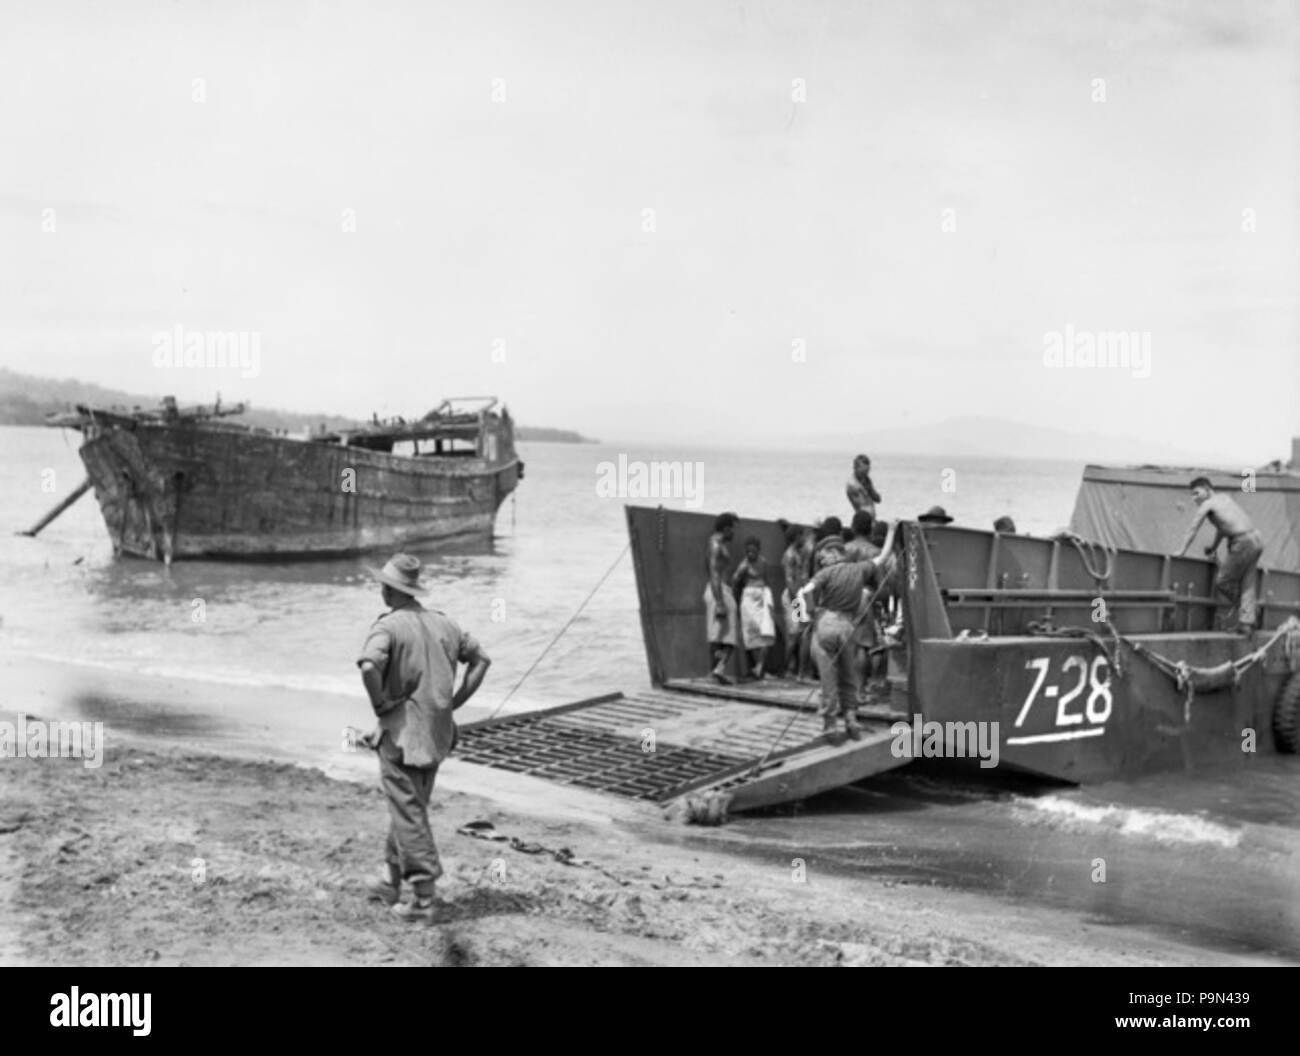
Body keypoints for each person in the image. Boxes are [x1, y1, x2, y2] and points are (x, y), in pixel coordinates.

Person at [356, 553, 492, 923]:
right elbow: (481, 660)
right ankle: (389, 878)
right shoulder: (445, 624)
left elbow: (369, 665)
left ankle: (423, 897)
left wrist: (381, 704)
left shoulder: (388, 626)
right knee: (410, 807)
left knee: (408, 810)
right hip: (438, 734)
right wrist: (454, 703)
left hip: (400, 736)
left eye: (383, 585)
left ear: (389, 589)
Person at [798, 522, 899, 744]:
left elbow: (805, 591)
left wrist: (808, 614)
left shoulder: (825, 573)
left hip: (826, 623)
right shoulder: (859, 569)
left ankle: (830, 725)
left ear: (834, 553)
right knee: (848, 673)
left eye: (823, 556)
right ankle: (851, 719)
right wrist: (891, 530)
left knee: (828, 677)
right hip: (848, 626)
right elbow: (883, 556)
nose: (821, 560)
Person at [1176, 477, 1263, 633]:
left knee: (1223, 581)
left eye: (1196, 493)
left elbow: (1193, 528)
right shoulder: (1225, 498)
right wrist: (1214, 547)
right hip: (1256, 539)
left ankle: (1251, 611)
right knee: (1247, 583)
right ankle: (1247, 623)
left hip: (1242, 542)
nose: (1193, 498)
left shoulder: (1207, 504)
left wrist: (1181, 551)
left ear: (1208, 490)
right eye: (1192, 495)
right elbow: (1223, 527)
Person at [733, 536, 776, 679]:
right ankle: (759, 669)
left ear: (758, 550)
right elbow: (735, 580)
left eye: (753, 551)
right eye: (748, 552)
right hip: (749, 599)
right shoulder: (744, 565)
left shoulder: (763, 562)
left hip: (763, 597)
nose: (750, 554)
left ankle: (760, 667)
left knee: (767, 632)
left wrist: (769, 601)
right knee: (751, 634)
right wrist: (736, 600)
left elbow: (768, 581)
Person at [704, 512, 740, 683]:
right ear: (726, 529)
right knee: (730, 636)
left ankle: (716, 671)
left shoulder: (716, 544)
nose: (734, 533)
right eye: (733, 529)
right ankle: (717, 670)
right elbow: (714, 573)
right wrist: (719, 602)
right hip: (720, 592)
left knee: (719, 635)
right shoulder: (716, 545)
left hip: (720, 591)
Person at [779, 522, 815, 679]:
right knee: (794, 636)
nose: (804, 538)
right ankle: (786, 669)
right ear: (796, 537)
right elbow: (789, 581)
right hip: (794, 597)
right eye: (802, 535)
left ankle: (800, 671)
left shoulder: (803, 551)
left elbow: (811, 543)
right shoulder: (790, 555)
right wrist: (799, 607)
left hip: (802, 595)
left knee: (804, 634)